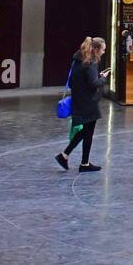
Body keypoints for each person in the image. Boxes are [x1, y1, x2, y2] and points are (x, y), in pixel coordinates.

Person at [54, 37, 108, 171]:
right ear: (96, 49)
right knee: (88, 131)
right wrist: (102, 78)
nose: (103, 52)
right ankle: (78, 161)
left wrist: (95, 78)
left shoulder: (77, 61)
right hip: (88, 102)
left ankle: (70, 157)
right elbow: (94, 83)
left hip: (79, 99)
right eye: (103, 49)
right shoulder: (91, 63)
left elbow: (73, 81)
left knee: (86, 131)